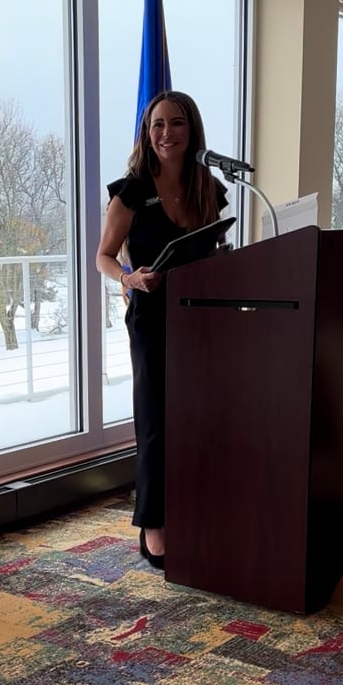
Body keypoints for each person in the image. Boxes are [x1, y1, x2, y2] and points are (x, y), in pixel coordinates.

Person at [96, 91, 228, 567]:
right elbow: (103, 257)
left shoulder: (209, 189)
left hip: (205, 316)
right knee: (156, 423)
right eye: (157, 125)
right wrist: (128, 278)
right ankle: (153, 526)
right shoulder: (131, 191)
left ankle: (196, 510)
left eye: (176, 123)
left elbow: (215, 252)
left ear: (192, 130)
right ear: (146, 133)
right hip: (153, 317)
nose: (166, 133)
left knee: (200, 419)